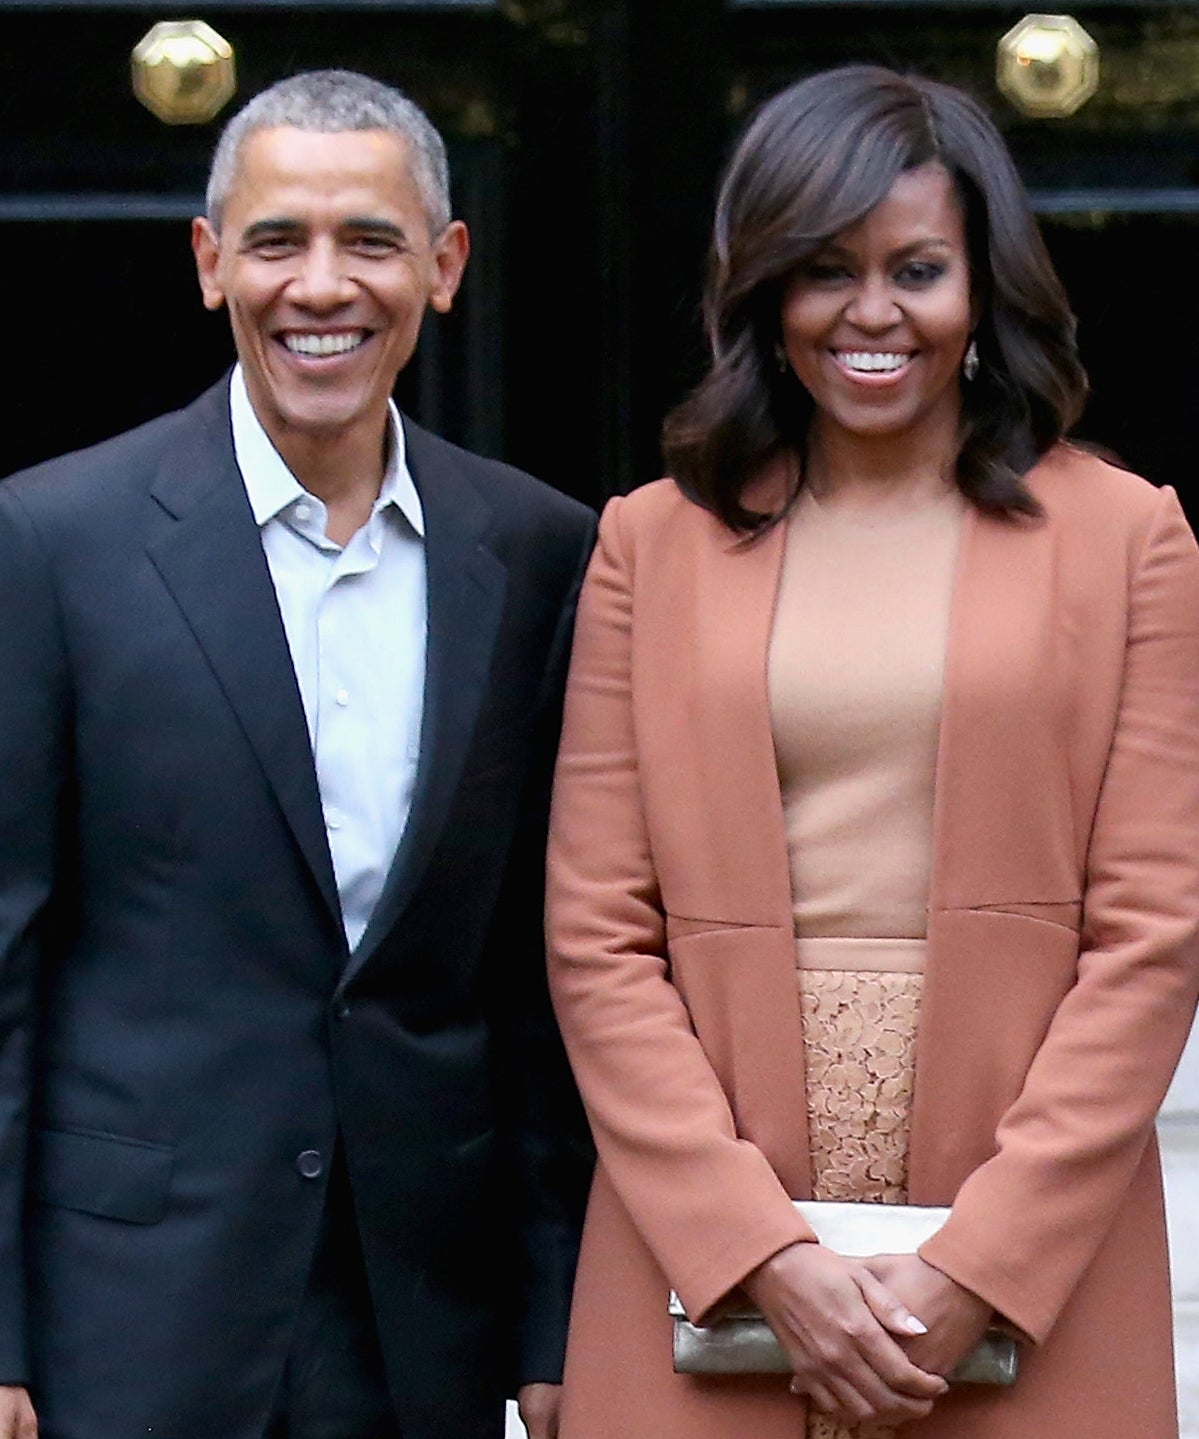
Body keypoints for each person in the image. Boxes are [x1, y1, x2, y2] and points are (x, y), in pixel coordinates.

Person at [545, 63, 1199, 1439]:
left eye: (918, 270)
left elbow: (1154, 936)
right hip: (708, 1243)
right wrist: (756, 1251)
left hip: (1030, 1240)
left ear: (985, 287)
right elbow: (597, 937)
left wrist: (981, 1264)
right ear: (765, 289)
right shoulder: (648, 545)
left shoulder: (1129, 539)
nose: (872, 313)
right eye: (826, 270)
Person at [0, 69, 595, 1439]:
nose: (321, 286)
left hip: (423, 1324)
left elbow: (538, 981)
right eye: (278, 241)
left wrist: (554, 1315)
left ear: (445, 266)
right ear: (212, 263)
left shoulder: (541, 552)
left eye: (369, 241)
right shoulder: (55, 543)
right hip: (130, 1315)